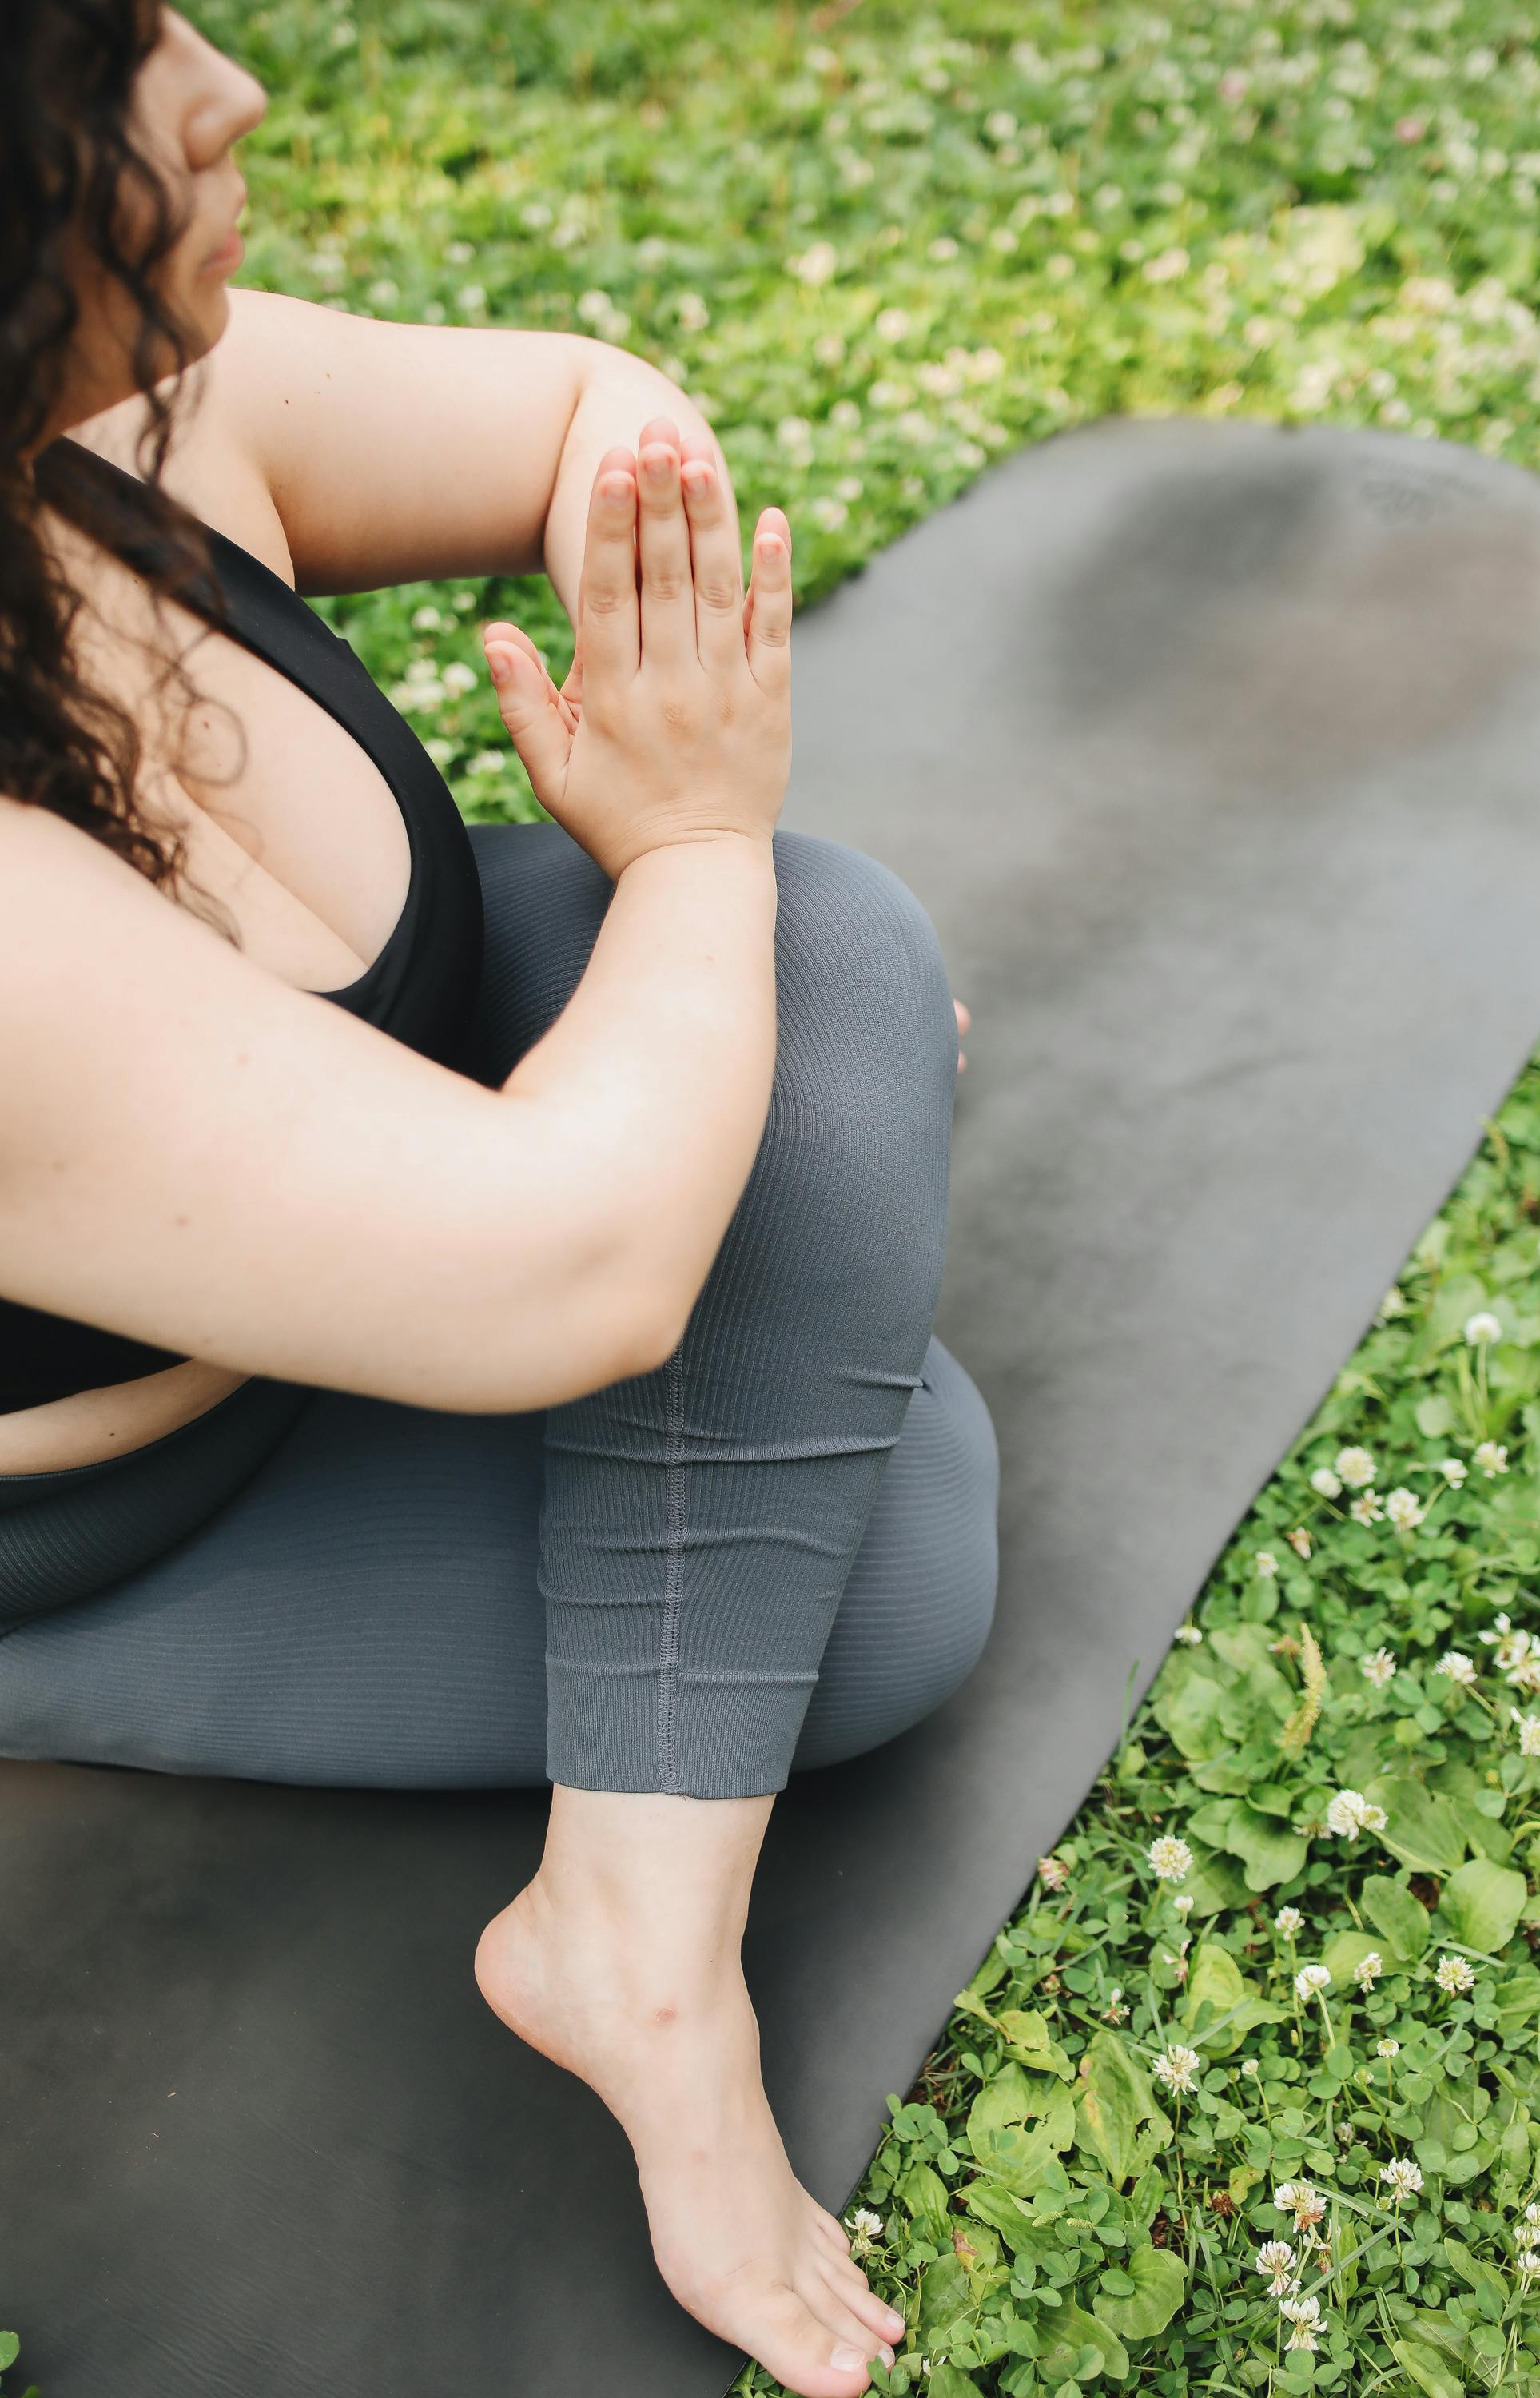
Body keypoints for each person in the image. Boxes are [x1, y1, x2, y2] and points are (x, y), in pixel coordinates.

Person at [0, 6, 1001, 2392]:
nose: (223, 84)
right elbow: (586, 1274)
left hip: (411, 1236)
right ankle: (632, 1976)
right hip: (129, 1512)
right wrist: (687, 870)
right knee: (897, 1565)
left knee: (831, 955)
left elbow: (590, 411)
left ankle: (622, 1920)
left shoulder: (122, 421)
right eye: (109, 65)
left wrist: (672, 699)